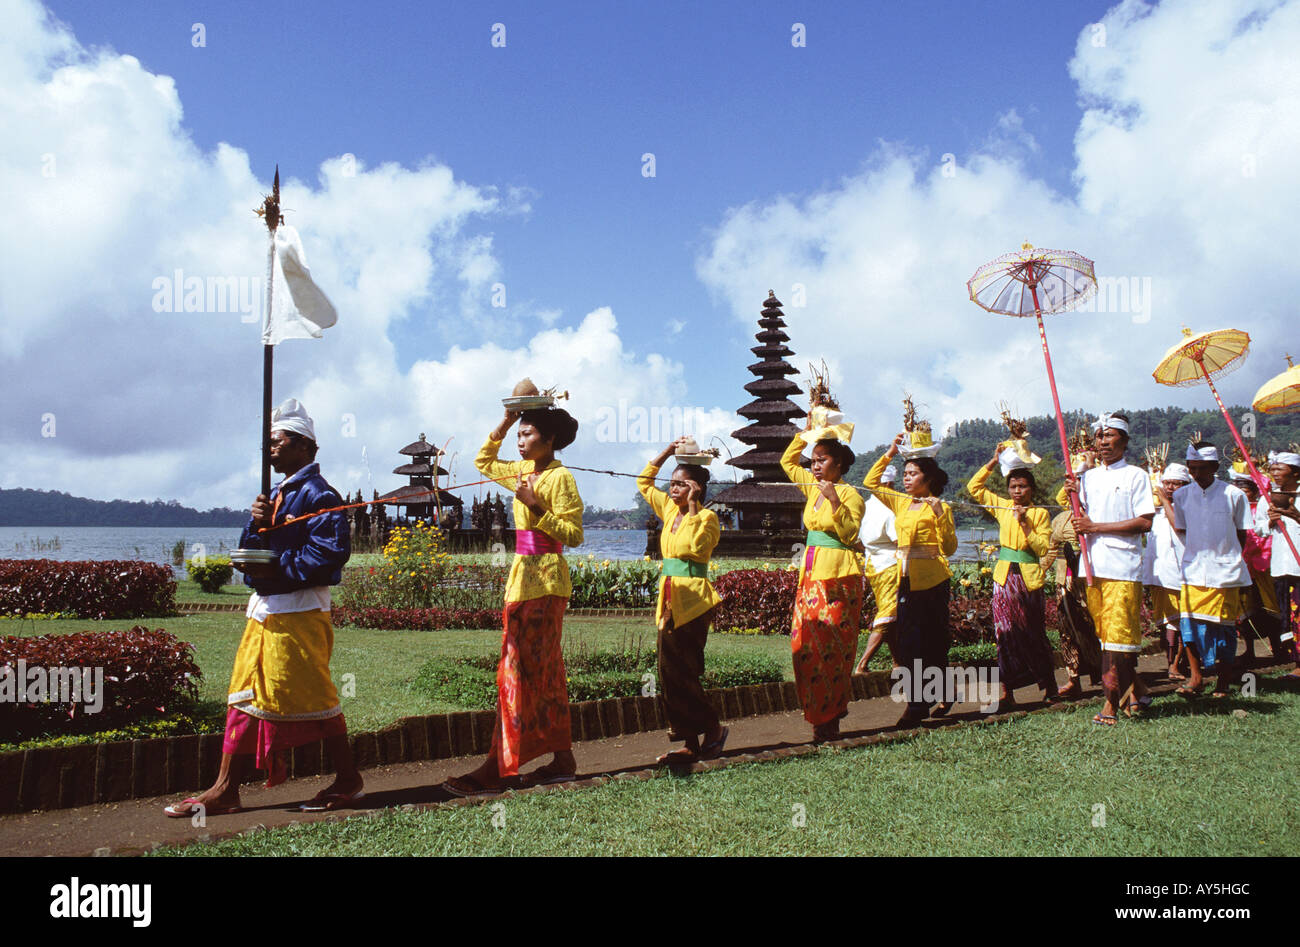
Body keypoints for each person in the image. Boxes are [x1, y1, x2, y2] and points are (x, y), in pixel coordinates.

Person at [165, 399, 362, 818]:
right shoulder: (275, 494)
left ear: (304, 445)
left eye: (277, 441)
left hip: (300, 614)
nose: (268, 449)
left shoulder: (320, 495)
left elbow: (327, 557)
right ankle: (226, 788)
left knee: (315, 695)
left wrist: (274, 570)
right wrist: (256, 524)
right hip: (265, 611)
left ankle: (347, 778)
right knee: (243, 693)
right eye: (268, 443)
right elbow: (251, 551)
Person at [444, 405, 584, 795]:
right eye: (518, 435)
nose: (520, 442)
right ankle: (561, 759)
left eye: (527, 434)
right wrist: (506, 419)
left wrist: (536, 505)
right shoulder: (522, 472)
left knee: (518, 674)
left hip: (547, 581)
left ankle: (500, 765)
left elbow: (573, 535)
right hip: (522, 579)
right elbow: (483, 461)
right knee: (541, 672)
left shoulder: (561, 478)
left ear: (550, 440)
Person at [637, 438, 727, 763]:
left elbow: (694, 548)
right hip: (669, 598)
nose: (673, 489)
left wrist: (691, 506)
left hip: (694, 600)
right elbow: (643, 482)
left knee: (684, 669)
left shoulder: (707, 518)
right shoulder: (666, 510)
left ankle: (713, 728)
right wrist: (665, 452)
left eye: (681, 484)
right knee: (667, 670)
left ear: (697, 488)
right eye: (672, 484)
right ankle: (689, 740)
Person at [1067, 413, 1155, 726]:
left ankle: (1110, 705)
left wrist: (1096, 526)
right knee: (1106, 638)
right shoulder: (1087, 478)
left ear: (1124, 440)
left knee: (1117, 639)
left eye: (1111, 435)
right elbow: (1080, 519)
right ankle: (1138, 692)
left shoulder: (1136, 475)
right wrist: (1073, 497)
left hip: (1123, 567)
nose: (1104, 441)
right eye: (1100, 436)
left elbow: (1145, 521)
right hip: (1092, 567)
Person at [781, 420, 866, 742]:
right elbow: (788, 462)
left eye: (822, 460)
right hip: (810, 575)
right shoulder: (810, 486)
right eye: (813, 460)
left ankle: (829, 718)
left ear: (840, 463)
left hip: (838, 577)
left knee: (831, 649)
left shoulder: (851, 495)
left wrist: (834, 501)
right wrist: (807, 431)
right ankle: (821, 712)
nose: (815, 466)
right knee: (803, 648)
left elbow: (850, 534)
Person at [865, 434, 958, 726]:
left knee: (934, 642)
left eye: (912, 473)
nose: (906, 479)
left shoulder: (941, 507)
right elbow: (870, 482)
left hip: (933, 582)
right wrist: (890, 452)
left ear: (927, 477)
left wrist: (940, 514)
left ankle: (923, 701)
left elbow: (950, 548)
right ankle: (921, 701)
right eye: (904, 474)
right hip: (905, 582)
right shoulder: (901, 503)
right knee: (907, 644)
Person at [967, 445, 1057, 705]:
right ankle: (1008, 690)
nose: (1017, 492)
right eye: (1013, 487)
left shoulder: (1040, 513)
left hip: (1028, 579)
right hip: (1004, 578)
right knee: (1004, 632)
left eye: (1022, 487)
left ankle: (1047, 684)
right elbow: (975, 488)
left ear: (1031, 489)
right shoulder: (1003, 507)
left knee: (1033, 632)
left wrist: (1025, 523)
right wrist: (993, 461)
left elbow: (1042, 548)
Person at [1173, 442, 1252, 697]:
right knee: (1189, 626)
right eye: (1192, 468)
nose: (1196, 474)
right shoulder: (1181, 496)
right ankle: (1196, 678)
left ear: (1215, 467)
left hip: (1225, 574)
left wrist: (1228, 557)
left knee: (1224, 629)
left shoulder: (1234, 495)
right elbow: (1183, 530)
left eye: (1202, 468)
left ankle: (1223, 682)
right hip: (1192, 571)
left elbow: (1242, 534)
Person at [1230, 470, 1286, 664]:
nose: (1242, 494)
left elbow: (1263, 534)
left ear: (1254, 492)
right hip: (1242, 565)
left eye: (1245, 490)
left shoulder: (1260, 508)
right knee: (1245, 608)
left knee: (1271, 606)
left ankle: (1278, 648)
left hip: (1263, 563)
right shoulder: (1233, 510)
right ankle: (1249, 650)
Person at [1144, 464, 1191, 680]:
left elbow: (1180, 527)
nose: (1170, 488)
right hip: (1159, 575)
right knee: (1166, 623)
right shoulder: (1156, 512)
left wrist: (1164, 500)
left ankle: (1178, 664)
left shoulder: (1188, 506)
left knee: (1181, 621)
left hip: (1182, 574)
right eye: (1167, 483)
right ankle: (1171, 663)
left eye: (1175, 483)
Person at [1258, 449, 1300, 679]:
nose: (1274, 473)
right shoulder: (1269, 497)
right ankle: (1295, 660)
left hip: (1299, 565)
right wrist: (1271, 522)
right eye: (1272, 469)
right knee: (1287, 615)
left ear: (1294, 472)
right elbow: (1259, 528)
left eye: (1280, 469)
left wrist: (1295, 515)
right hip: (1282, 566)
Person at [854, 464, 900, 674]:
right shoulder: (890, 509)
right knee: (888, 612)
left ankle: (896, 661)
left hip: (872, 564)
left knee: (890, 613)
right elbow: (900, 541)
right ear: (889, 484)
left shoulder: (864, 506)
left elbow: (858, 540)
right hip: (890, 565)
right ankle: (863, 663)